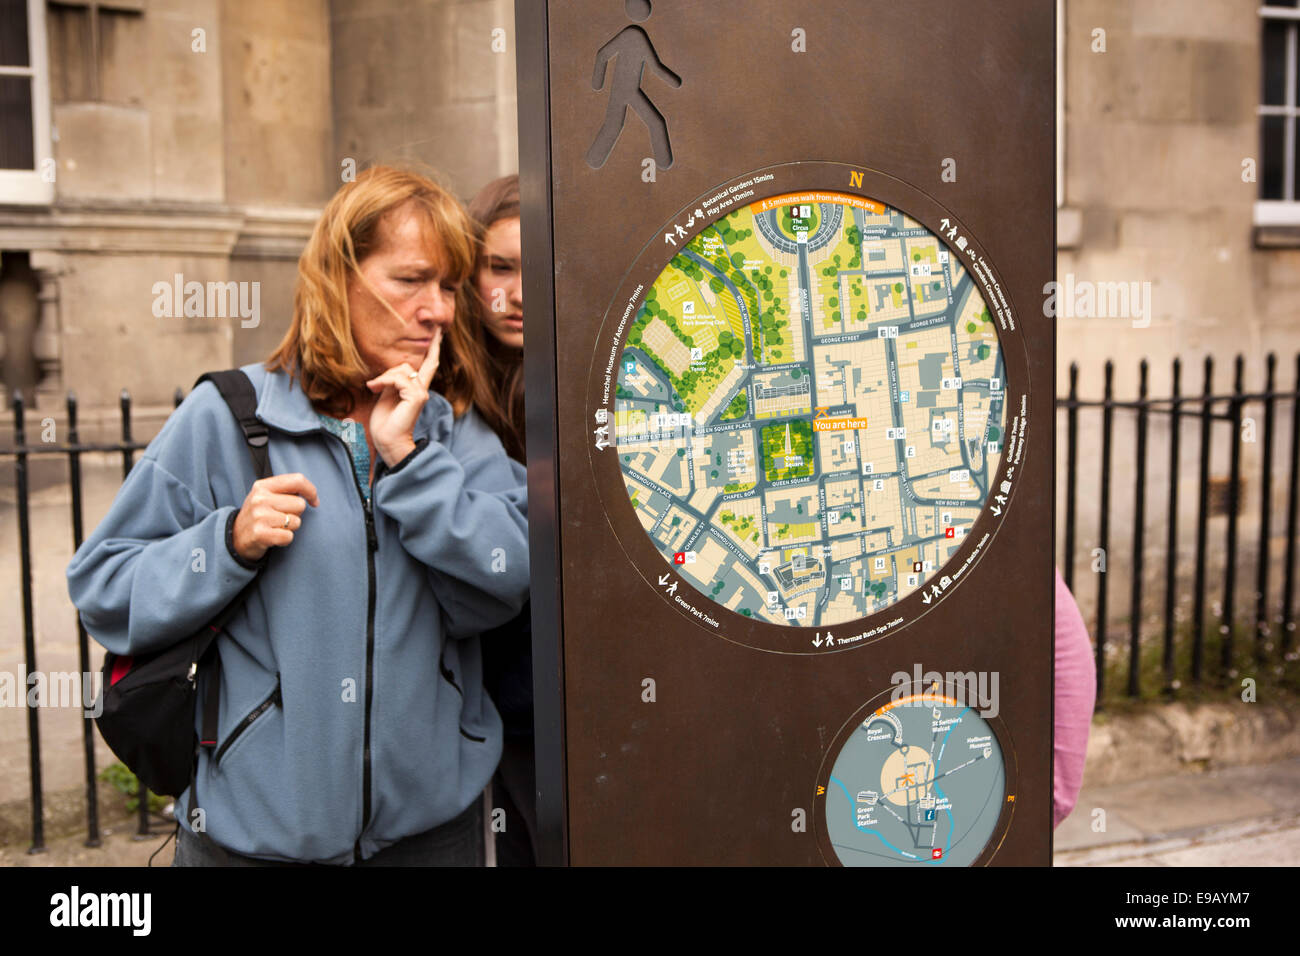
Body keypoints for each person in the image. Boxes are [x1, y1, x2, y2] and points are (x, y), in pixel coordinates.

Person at [66, 165, 530, 866]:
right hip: (257, 842)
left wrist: (408, 463)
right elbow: (103, 588)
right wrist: (226, 543)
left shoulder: (449, 429)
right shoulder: (230, 418)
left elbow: (513, 574)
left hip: (433, 834)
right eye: (411, 280)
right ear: (338, 275)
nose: (437, 309)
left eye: (449, 286)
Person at [464, 173, 537, 866]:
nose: (515, 293)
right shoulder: (445, 387)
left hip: (572, 696)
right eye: (499, 267)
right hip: (479, 701)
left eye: (534, 264)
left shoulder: (589, 378)